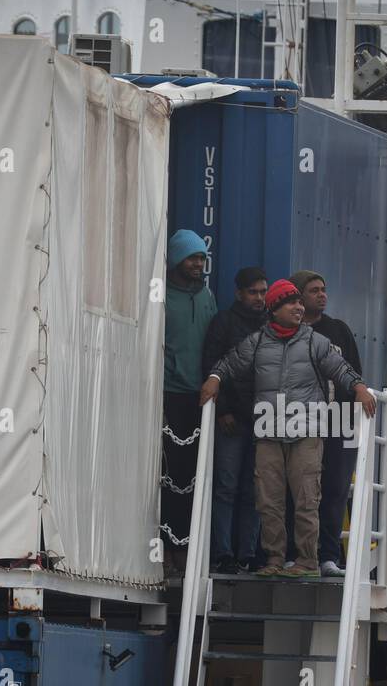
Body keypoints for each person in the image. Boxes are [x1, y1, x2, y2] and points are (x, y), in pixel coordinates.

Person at [200, 279, 375, 578]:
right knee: (269, 500)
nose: (298, 307)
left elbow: (340, 368)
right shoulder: (256, 342)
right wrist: (214, 379)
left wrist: (359, 387)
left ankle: (307, 560)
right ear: (274, 309)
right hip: (267, 432)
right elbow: (229, 364)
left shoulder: (314, 342)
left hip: (307, 431)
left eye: (298, 302)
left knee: (307, 497)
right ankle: (275, 559)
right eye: (290, 303)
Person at [288, 270, 364, 578]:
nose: (322, 295)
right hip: (300, 421)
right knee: (300, 490)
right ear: (298, 296)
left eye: (324, 289)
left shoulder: (338, 330)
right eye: (314, 290)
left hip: (338, 420)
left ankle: (329, 557)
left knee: (334, 489)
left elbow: (354, 372)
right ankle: (297, 555)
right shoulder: (286, 332)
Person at [201, 267, 268, 574]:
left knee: (255, 490)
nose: (259, 297)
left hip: (263, 418)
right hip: (233, 418)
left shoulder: (271, 325)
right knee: (226, 486)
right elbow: (212, 364)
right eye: (253, 292)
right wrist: (224, 408)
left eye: (262, 291)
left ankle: (248, 552)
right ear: (239, 293)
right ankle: (223, 552)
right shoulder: (224, 322)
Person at [161, 229, 219, 577]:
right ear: (176, 259)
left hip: (200, 399)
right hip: (168, 395)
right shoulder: (161, 295)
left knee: (191, 478)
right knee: (165, 476)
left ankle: (185, 550)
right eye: (192, 257)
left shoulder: (207, 296)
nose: (198, 264)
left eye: (201, 258)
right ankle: (165, 548)